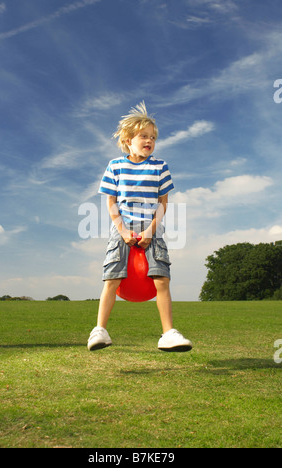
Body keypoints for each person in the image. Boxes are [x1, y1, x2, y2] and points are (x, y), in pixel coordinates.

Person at [87, 102, 192, 353]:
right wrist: (123, 231)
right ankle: (99, 330)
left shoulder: (160, 166)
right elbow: (111, 202)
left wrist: (150, 231)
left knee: (161, 279)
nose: (149, 140)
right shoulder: (115, 166)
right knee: (112, 278)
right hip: (121, 228)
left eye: (153, 137)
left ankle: (168, 333)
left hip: (152, 228)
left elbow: (163, 203)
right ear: (128, 139)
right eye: (144, 136)